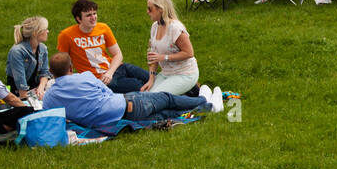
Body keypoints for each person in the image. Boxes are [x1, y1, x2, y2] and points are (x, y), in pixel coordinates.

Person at [42, 52, 217, 126]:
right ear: (71, 68)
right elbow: (108, 93)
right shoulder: (86, 77)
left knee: (166, 114)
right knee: (166, 99)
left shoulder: (49, 97)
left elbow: (53, 117)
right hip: (127, 105)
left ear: (51, 72)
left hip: (114, 122)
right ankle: (204, 102)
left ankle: (203, 106)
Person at [57, 0, 150, 93]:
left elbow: (118, 54)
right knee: (141, 86)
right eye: (88, 15)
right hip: (101, 79)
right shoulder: (66, 35)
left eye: (94, 13)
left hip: (117, 68)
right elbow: (63, 62)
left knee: (152, 78)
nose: (93, 17)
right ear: (78, 18)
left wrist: (110, 72)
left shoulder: (103, 28)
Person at [143, 0, 199, 95]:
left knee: (155, 97)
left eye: (150, 9)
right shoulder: (155, 27)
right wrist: (151, 79)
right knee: (145, 95)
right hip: (166, 74)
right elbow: (153, 57)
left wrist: (164, 57)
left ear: (161, 9)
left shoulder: (175, 28)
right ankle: (189, 92)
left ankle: (202, 101)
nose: (147, 12)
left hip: (185, 74)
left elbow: (189, 53)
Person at [6, 16, 50, 101]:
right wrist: (31, 101)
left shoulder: (43, 48)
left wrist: (41, 89)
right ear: (35, 33)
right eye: (45, 29)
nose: (47, 31)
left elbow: (44, 73)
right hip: (18, 93)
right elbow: (20, 84)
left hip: (34, 89)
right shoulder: (17, 52)